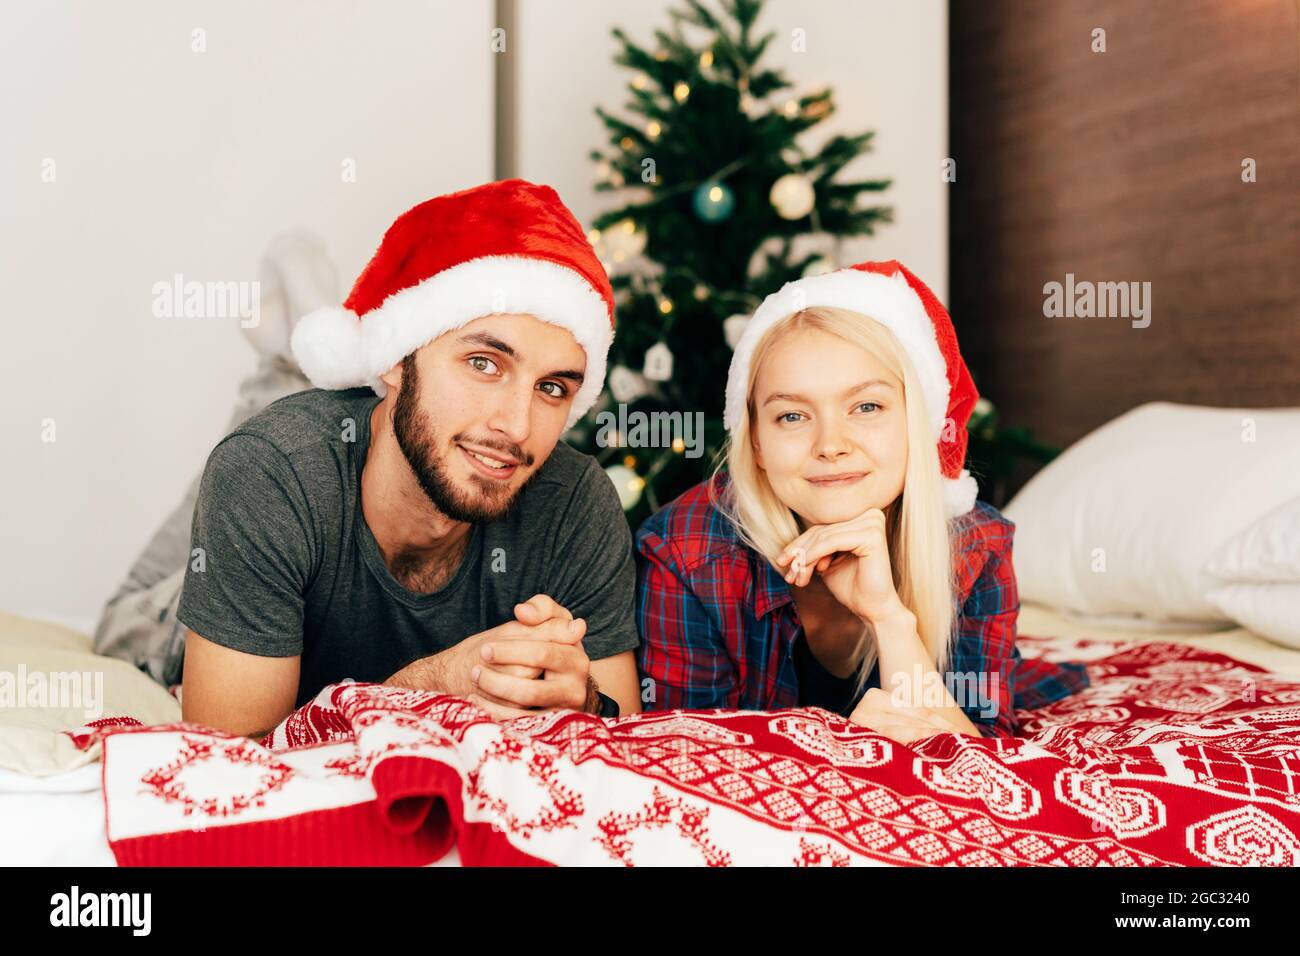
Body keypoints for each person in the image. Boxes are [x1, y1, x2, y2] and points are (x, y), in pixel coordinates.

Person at [94, 179, 641, 739]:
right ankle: (284, 366)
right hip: (282, 482)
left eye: (552, 388)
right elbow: (232, 760)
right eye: (483, 363)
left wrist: (585, 702)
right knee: (134, 611)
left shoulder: (575, 498)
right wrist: (433, 688)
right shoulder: (268, 473)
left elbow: (623, 731)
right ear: (392, 360)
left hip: (335, 444)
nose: (517, 428)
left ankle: (290, 362)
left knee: (288, 445)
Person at [633, 260, 1089, 743]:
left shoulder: (976, 547)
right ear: (758, 443)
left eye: (866, 407)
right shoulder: (685, 554)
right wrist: (841, 749)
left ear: (919, 422)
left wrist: (890, 619)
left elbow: (976, 757)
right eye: (791, 416)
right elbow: (684, 759)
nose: (831, 444)